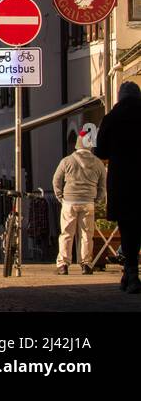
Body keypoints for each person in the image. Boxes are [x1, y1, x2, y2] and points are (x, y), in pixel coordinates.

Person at [95, 80, 141, 294]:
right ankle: (129, 275)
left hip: (122, 182)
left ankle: (131, 275)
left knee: (128, 229)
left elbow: (102, 152)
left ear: (120, 97)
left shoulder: (111, 118)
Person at [53, 129, 107, 275]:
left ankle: (63, 264)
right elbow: (103, 186)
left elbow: (56, 180)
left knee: (66, 234)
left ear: (77, 144)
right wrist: (97, 200)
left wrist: (60, 197)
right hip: (88, 201)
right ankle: (86, 264)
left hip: (69, 201)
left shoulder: (66, 161)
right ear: (91, 146)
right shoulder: (98, 163)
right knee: (86, 234)